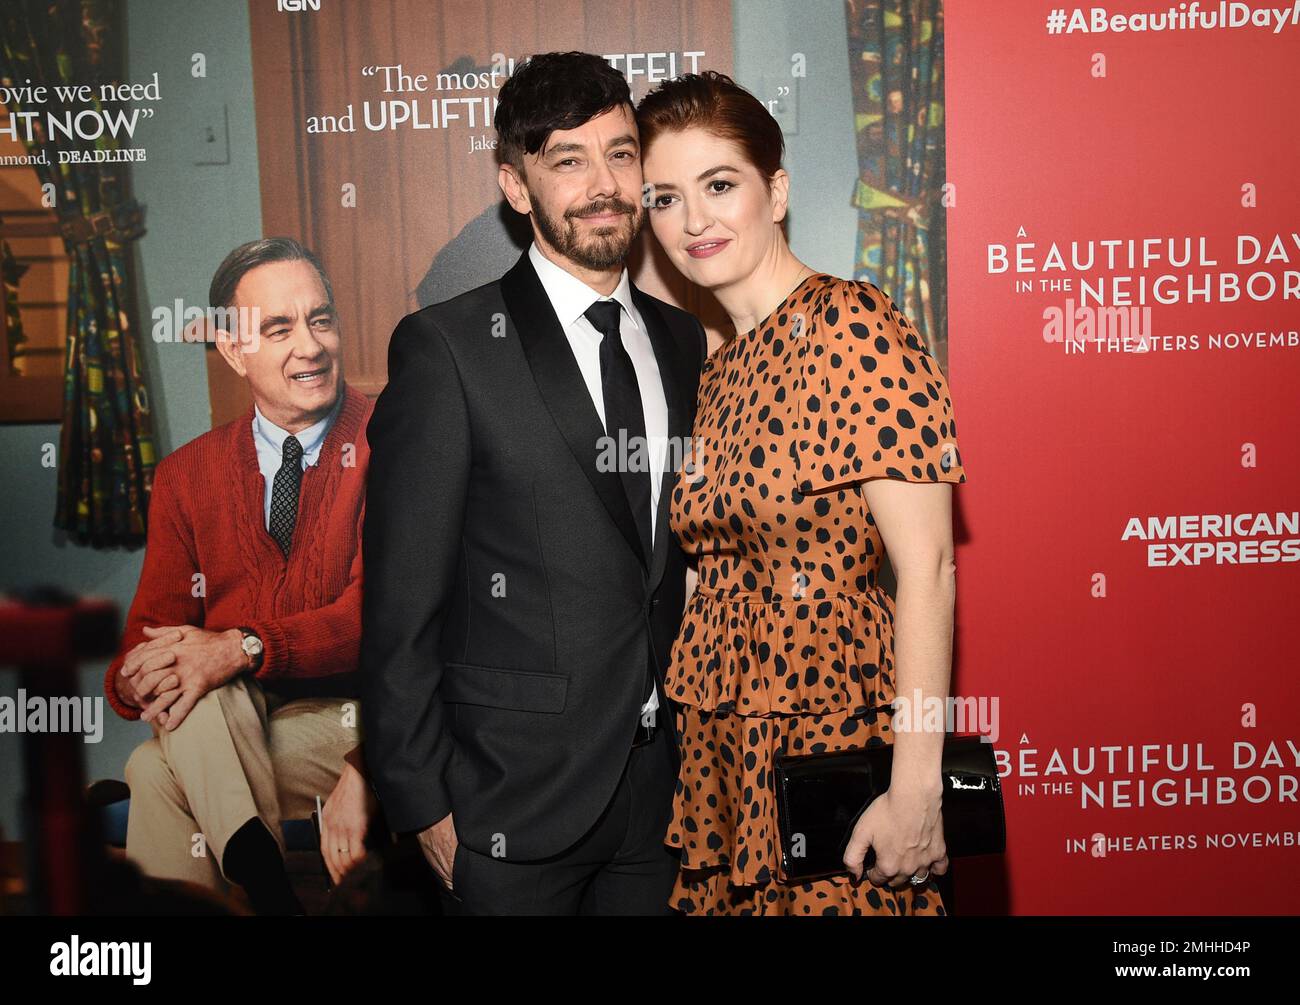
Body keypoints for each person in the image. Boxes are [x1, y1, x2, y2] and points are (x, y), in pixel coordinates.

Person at [361, 50, 707, 915]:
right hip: (508, 801)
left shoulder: (680, 340)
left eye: (621, 154)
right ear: (517, 186)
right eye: (569, 159)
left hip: (662, 796)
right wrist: (419, 796)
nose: (603, 184)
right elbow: (402, 600)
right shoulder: (446, 349)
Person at [638, 71, 967, 915]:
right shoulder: (715, 369)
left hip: (831, 735)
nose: (694, 220)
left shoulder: (854, 325)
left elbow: (927, 567)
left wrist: (917, 785)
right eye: (665, 198)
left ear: (775, 190)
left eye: (719, 185)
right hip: (724, 756)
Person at [106, 238, 377, 912]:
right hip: (234, 722)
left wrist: (240, 646)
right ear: (232, 350)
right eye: (278, 328)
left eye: (320, 319)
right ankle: (268, 886)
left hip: (366, 721)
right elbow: (152, 633)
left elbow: (378, 620)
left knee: (154, 769)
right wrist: (133, 676)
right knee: (195, 694)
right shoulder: (187, 474)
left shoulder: (392, 437)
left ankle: (260, 891)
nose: (309, 347)